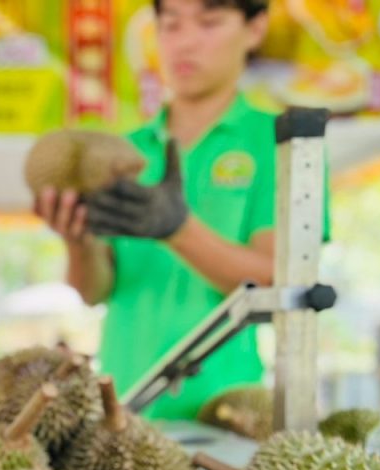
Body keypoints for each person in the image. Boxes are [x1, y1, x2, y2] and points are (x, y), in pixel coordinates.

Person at [36, 0, 323, 421]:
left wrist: (176, 228)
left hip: (228, 413)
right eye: (170, 25)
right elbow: (94, 290)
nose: (184, 42)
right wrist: (77, 241)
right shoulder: (122, 152)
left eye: (209, 22)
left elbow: (277, 281)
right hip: (123, 406)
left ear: (255, 28)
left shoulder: (281, 142)